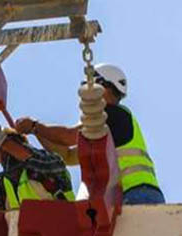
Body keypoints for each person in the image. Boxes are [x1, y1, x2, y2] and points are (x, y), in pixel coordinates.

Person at [14, 63, 165, 206]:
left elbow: (68, 137)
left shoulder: (112, 114)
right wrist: (35, 130)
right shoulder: (107, 129)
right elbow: (66, 155)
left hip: (136, 193)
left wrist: (35, 126)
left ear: (103, 86)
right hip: (136, 194)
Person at [0, 116, 75, 210]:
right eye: (0, 151)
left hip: (66, 231)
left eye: (12, 142)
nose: (6, 152)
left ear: (24, 144)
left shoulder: (52, 162)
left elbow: (33, 159)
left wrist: (2, 140)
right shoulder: (6, 189)